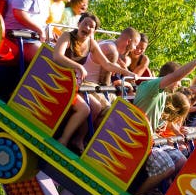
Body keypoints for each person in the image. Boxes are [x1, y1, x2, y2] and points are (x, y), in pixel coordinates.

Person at [129, 38, 196, 195]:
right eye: (177, 81)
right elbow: (179, 76)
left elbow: (164, 122)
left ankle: (157, 191)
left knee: (181, 161)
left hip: (150, 138)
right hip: (138, 136)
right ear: (170, 77)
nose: (178, 85)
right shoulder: (152, 87)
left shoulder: (164, 96)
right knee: (168, 166)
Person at [52, 12, 138, 152]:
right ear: (79, 24)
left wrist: (127, 72)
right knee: (87, 108)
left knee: (99, 107)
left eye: (91, 26)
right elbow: (57, 56)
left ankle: (81, 141)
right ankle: (64, 139)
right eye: (85, 23)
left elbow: (107, 64)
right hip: (60, 78)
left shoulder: (91, 43)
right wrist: (78, 66)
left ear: (94, 31)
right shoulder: (67, 36)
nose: (87, 27)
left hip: (74, 83)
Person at [3, 0, 67, 63]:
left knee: (64, 57)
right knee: (50, 61)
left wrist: (50, 34)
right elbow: (19, 13)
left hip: (33, 38)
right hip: (19, 36)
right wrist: (39, 30)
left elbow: (41, 23)